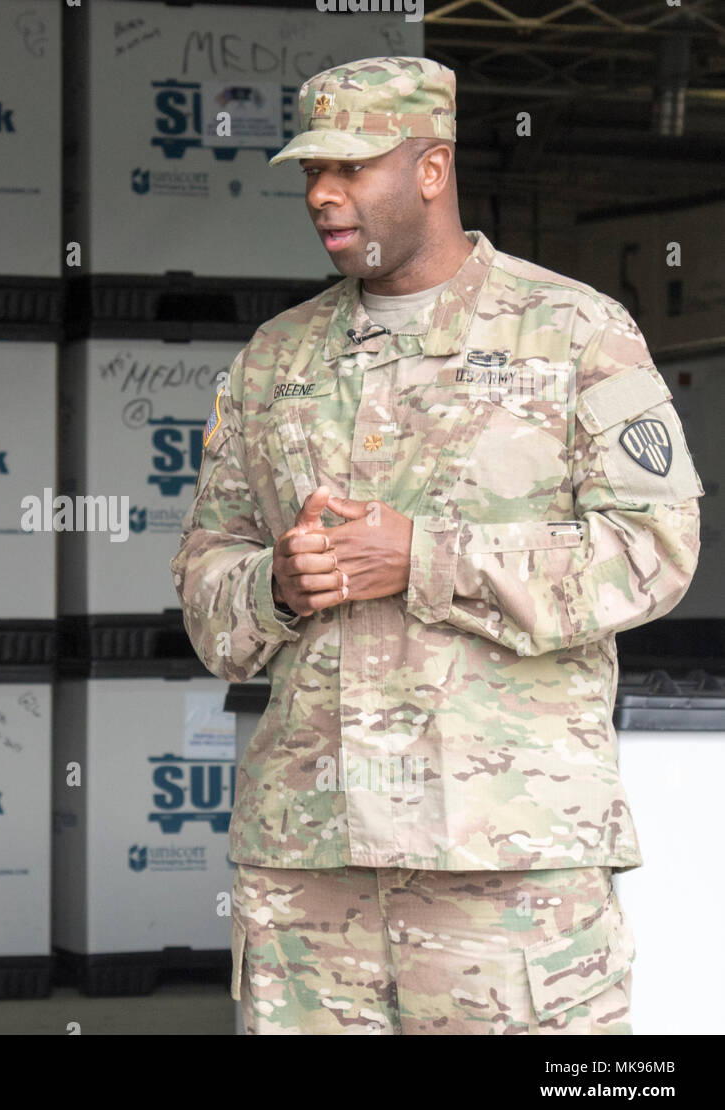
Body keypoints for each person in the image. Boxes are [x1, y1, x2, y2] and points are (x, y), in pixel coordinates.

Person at [171, 56, 703, 1034]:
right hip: (308, 872)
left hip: (505, 868)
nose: (322, 195)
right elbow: (207, 589)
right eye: (308, 173)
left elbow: (654, 549)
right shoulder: (273, 359)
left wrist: (425, 558)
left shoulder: (578, 333)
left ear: (430, 168)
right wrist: (275, 587)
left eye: (352, 166)